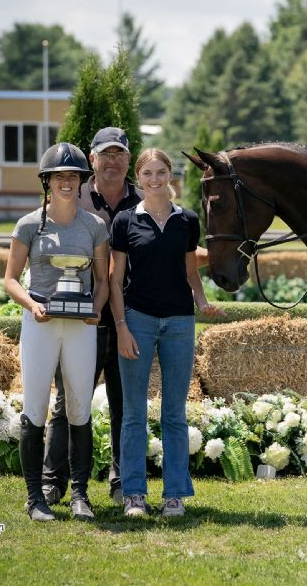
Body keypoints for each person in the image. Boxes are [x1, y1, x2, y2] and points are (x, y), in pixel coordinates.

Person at [110, 148, 221, 518]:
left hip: (179, 323)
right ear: (137, 179)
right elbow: (114, 281)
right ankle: (134, 495)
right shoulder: (125, 221)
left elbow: (191, 272)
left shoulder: (187, 220)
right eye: (147, 174)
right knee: (133, 414)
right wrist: (122, 327)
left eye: (161, 173)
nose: (155, 180)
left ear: (169, 176)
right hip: (137, 319)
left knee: (175, 413)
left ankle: (174, 494)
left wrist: (202, 302)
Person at [4, 142, 109, 522]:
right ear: (47, 181)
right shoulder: (29, 224)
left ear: (82, 181)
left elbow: (101, 280)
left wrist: (96, 309)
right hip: (40, 322)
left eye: (73, 176)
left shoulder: (94, 226)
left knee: (80, 407)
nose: (67, 182)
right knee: (35, 407)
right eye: (59, 176)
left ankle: (80, 494)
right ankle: (35, 497)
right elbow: (11, 279)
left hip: (79, 326)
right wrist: (32, 305)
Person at [41, 127, 142, 507]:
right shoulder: (72, 196)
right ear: (93, 159)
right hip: (78, 318)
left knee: (125, 402)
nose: (113, 161)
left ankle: (120, 480)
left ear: (128, 159)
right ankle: (54, 481)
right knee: (69, 400)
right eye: (106, 154)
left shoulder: (144, 200)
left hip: (129, 319)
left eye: (120, 154)